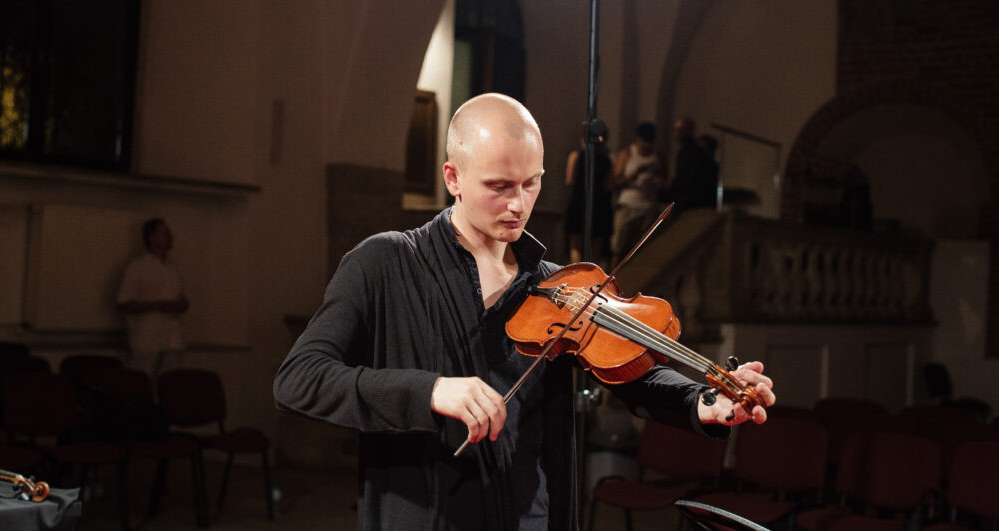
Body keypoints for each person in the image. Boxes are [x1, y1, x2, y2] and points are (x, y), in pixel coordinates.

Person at [273, 94, 775, 530]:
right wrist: (429, 390)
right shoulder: (383, 263)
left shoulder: (558, 285)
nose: (519, 205)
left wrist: (704, 401)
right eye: (499, 186)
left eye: (531, 184)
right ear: (453, 176)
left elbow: (636, 376)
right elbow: (300, 379)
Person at [116, 218, 188, 378]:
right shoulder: (137, 267)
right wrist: (158, 305)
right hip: (147, 339)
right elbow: (123, 304)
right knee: (142, 383)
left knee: (171, 384)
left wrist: (181, 305)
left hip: (173, 339)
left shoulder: (174, 267)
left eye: (169, 233)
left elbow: (182, 299)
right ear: (151, 238)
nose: (170, 237)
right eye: (164, 233)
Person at [610, 122, 665, 262]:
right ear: (638, 139)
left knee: (644, 249)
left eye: (650, 143)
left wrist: (659, 182)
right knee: (619, 247)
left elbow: (665, 179)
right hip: (627, 206)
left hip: (648, 207)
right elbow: (614, 181)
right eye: (644, 142)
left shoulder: (657, 156)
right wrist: (629, 179)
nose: (646, 147)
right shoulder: (627, 153)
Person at [563, 132, 613, 267]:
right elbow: (608, 186)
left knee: (575, 247)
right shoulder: (606, 160)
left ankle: (576, 281)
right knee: (595, 251)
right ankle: (590, 283)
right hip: (599, 205)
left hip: (579, 202)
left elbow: (569, 180)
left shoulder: (576, 156)